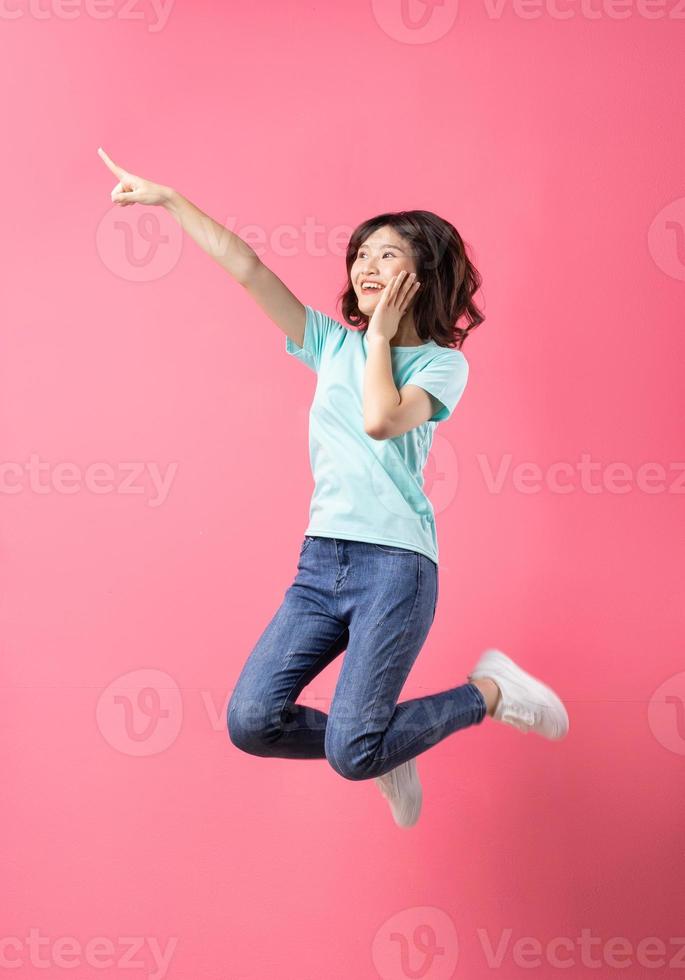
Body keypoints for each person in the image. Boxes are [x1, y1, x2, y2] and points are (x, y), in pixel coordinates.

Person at [98, 147, 570, 828]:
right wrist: (169, 199)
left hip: (395, 568)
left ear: (424, 272)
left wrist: (378, 336)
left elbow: (380, 419)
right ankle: (386, 747)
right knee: (252, 721)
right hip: (321, 563)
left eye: (386, 254)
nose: (366, 266)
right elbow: (248, 268)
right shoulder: (328, 345)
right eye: (360, 255)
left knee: (352, 753)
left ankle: (488, 693)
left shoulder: (440, 367)